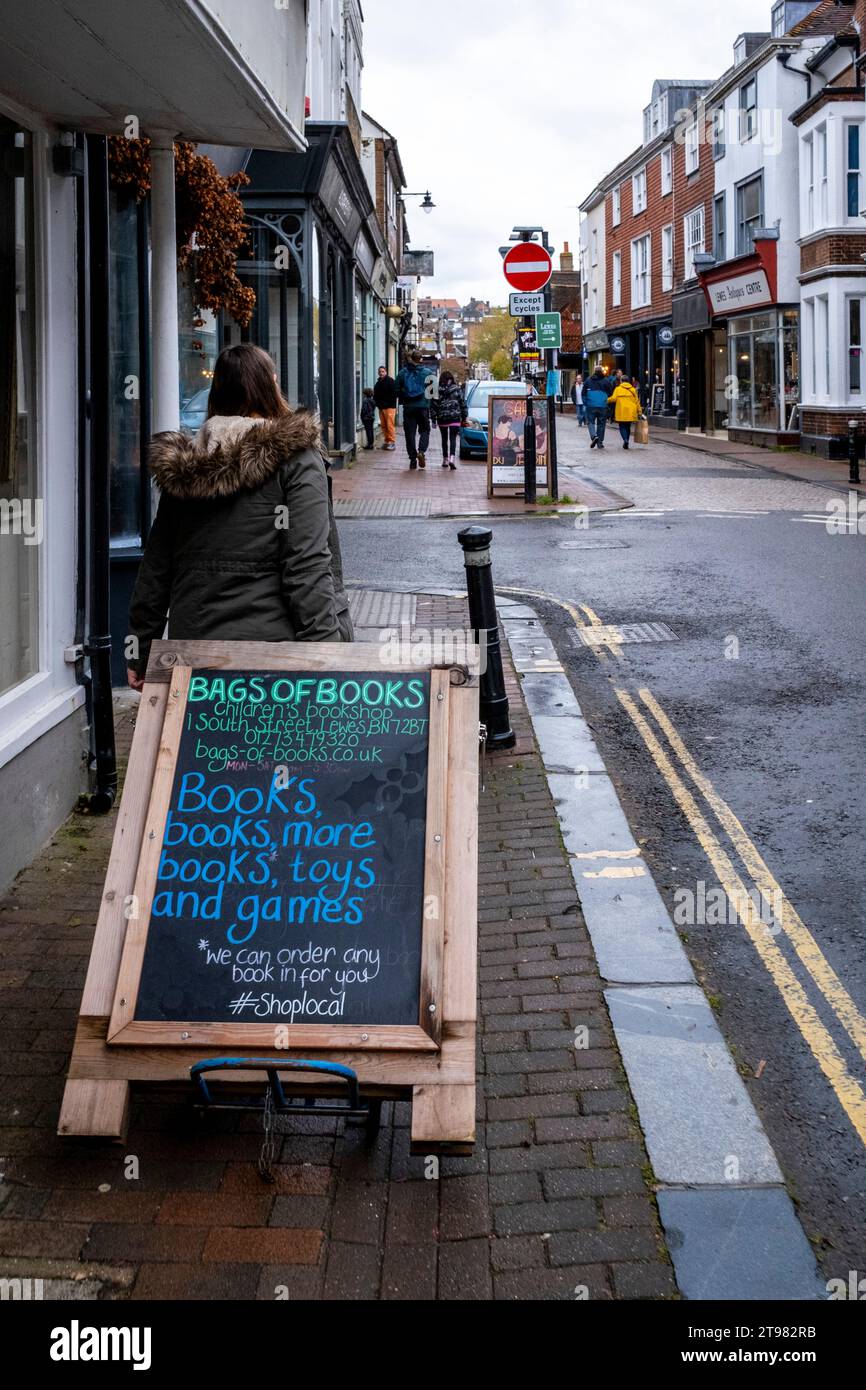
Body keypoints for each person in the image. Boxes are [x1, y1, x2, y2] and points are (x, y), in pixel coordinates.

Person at [126, 343, 352, 691]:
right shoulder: (296, 459)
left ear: (216, 392)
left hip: (195, 654)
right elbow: (307, 564)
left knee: (206, 745)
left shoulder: (184, 466)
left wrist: (140, 652)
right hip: (275, 657)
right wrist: (327, 655)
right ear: (271, 384)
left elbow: (157, 566)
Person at [396, 349, 433, 469]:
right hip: (422, 406)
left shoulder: (402, 373)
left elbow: (396, 390)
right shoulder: (428, 372)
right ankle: (421, 451)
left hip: (409, 407)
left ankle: (412, 459)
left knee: (410, 434)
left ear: (411, 358)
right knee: (424, 430)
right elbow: (433, 392)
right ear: (421, 359)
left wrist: (404, 397)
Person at [431, 370, 467, 469]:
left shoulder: (437, 390)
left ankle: (445, 459)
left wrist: (433, 419)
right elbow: (462, 403)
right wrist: (464, 418)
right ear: (451, 379)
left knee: (444, 439)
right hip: (455, 417)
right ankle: (452, 458)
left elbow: (434, 405)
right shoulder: (457, 389)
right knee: (453, 438)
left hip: (442, 418)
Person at [584, 368, 615, 449]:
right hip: (602, 405)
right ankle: (600, 442)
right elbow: (611, 393)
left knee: (590, 422)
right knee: (601, 424)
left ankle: (594, 436)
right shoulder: (606, 381)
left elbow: (583, 393)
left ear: (594, 371)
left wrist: (586, 402)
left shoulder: (588, 380)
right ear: (601, 371)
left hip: (591, 405)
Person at [610, 374, 641, 449]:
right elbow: (637, 401)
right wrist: (639, 411)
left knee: (622, 426)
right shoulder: (633, 389)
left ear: (621, 381)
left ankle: (625, 440)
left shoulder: (618, 389)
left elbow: (613, 399)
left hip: (621, 411)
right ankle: (627, 440)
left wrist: (606, 400)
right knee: (628, 426)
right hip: (631, 411)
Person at [373, 365, 398, 450]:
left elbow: (394, 394)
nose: (381, 373)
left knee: (389, 425)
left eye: (383, 371)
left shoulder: (390, 381)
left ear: (386, 372)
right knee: (383, 425)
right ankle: (387, 441)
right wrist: (378, 404)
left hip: (390, 407)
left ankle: (392, 442)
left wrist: (386, 403)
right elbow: (375, 395)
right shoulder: (378, 383)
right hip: (381, 408)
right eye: (380, 372)